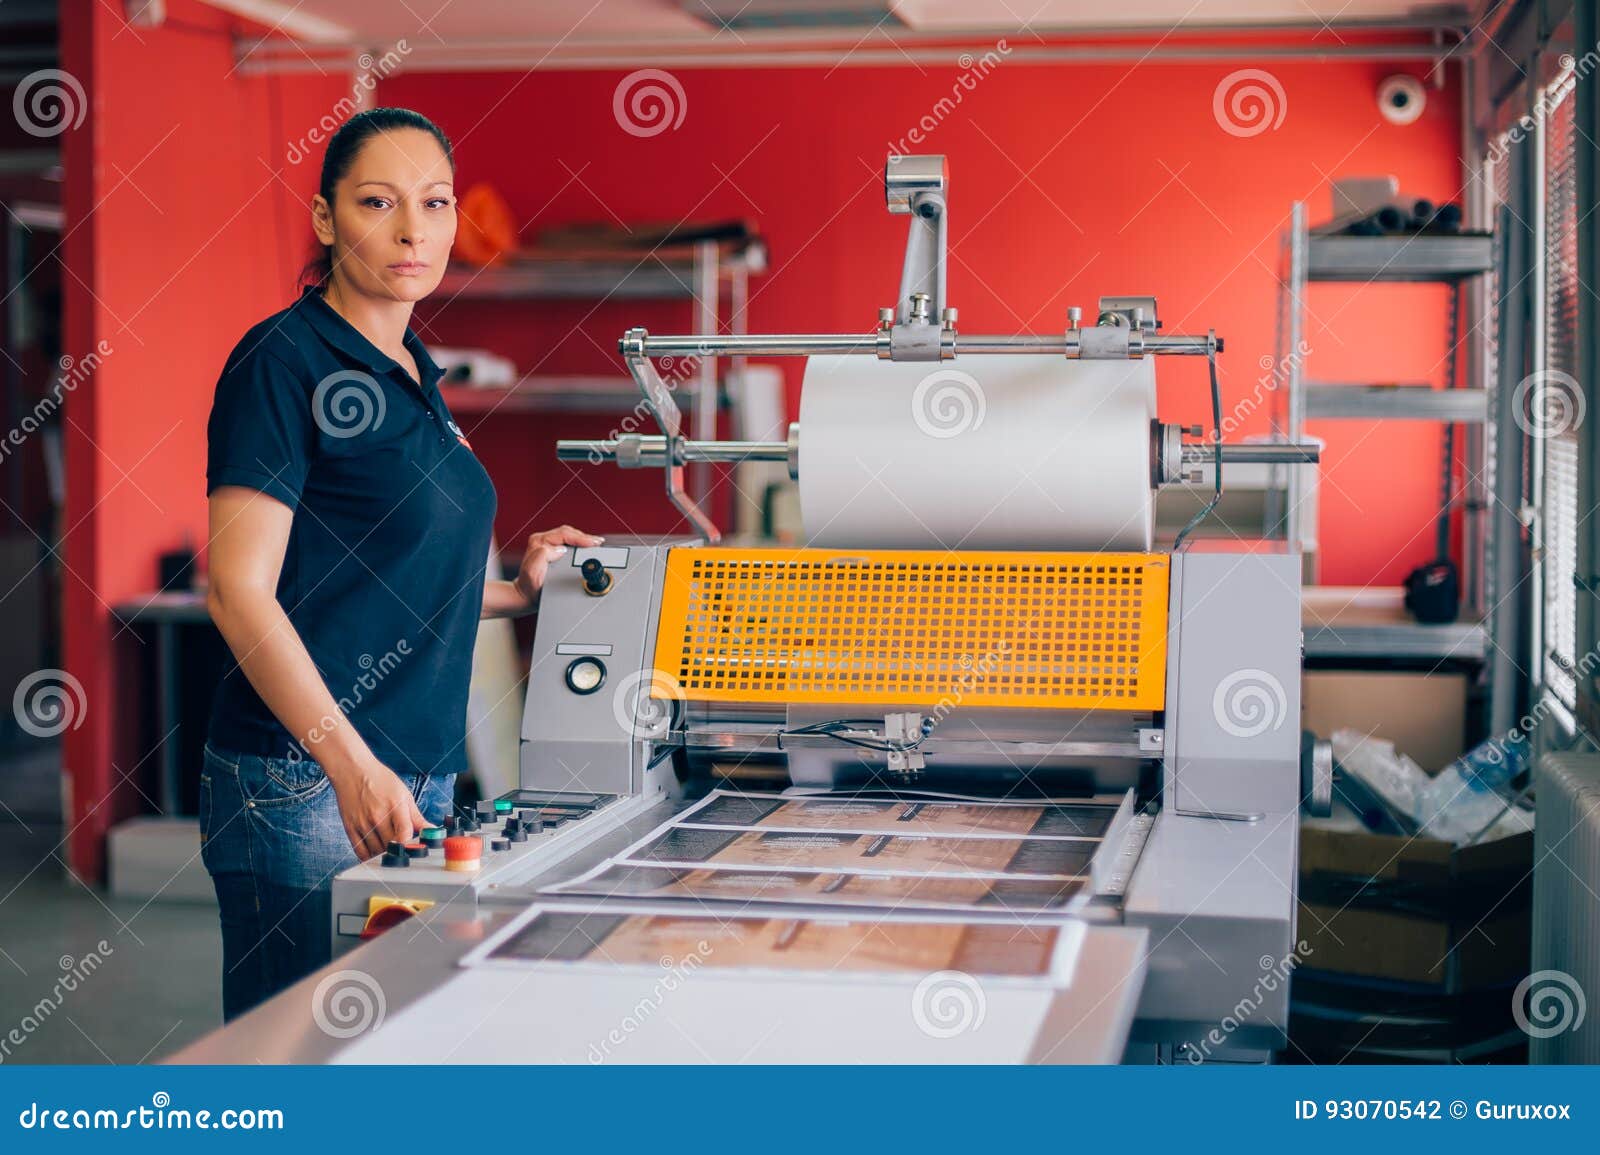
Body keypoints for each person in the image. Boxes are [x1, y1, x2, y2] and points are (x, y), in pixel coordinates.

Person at [200, 107, 600, 1020]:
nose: (414, 229)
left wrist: (515, 590)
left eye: (436, 202)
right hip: (305, 778)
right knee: (299, 1057)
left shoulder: (414, 366)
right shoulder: (282, 362)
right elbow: (237, 589)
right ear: (326, 217)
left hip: (410, 775)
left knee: (379, 1046)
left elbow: (397, 579)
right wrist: (348, 765)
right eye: (379, 202)